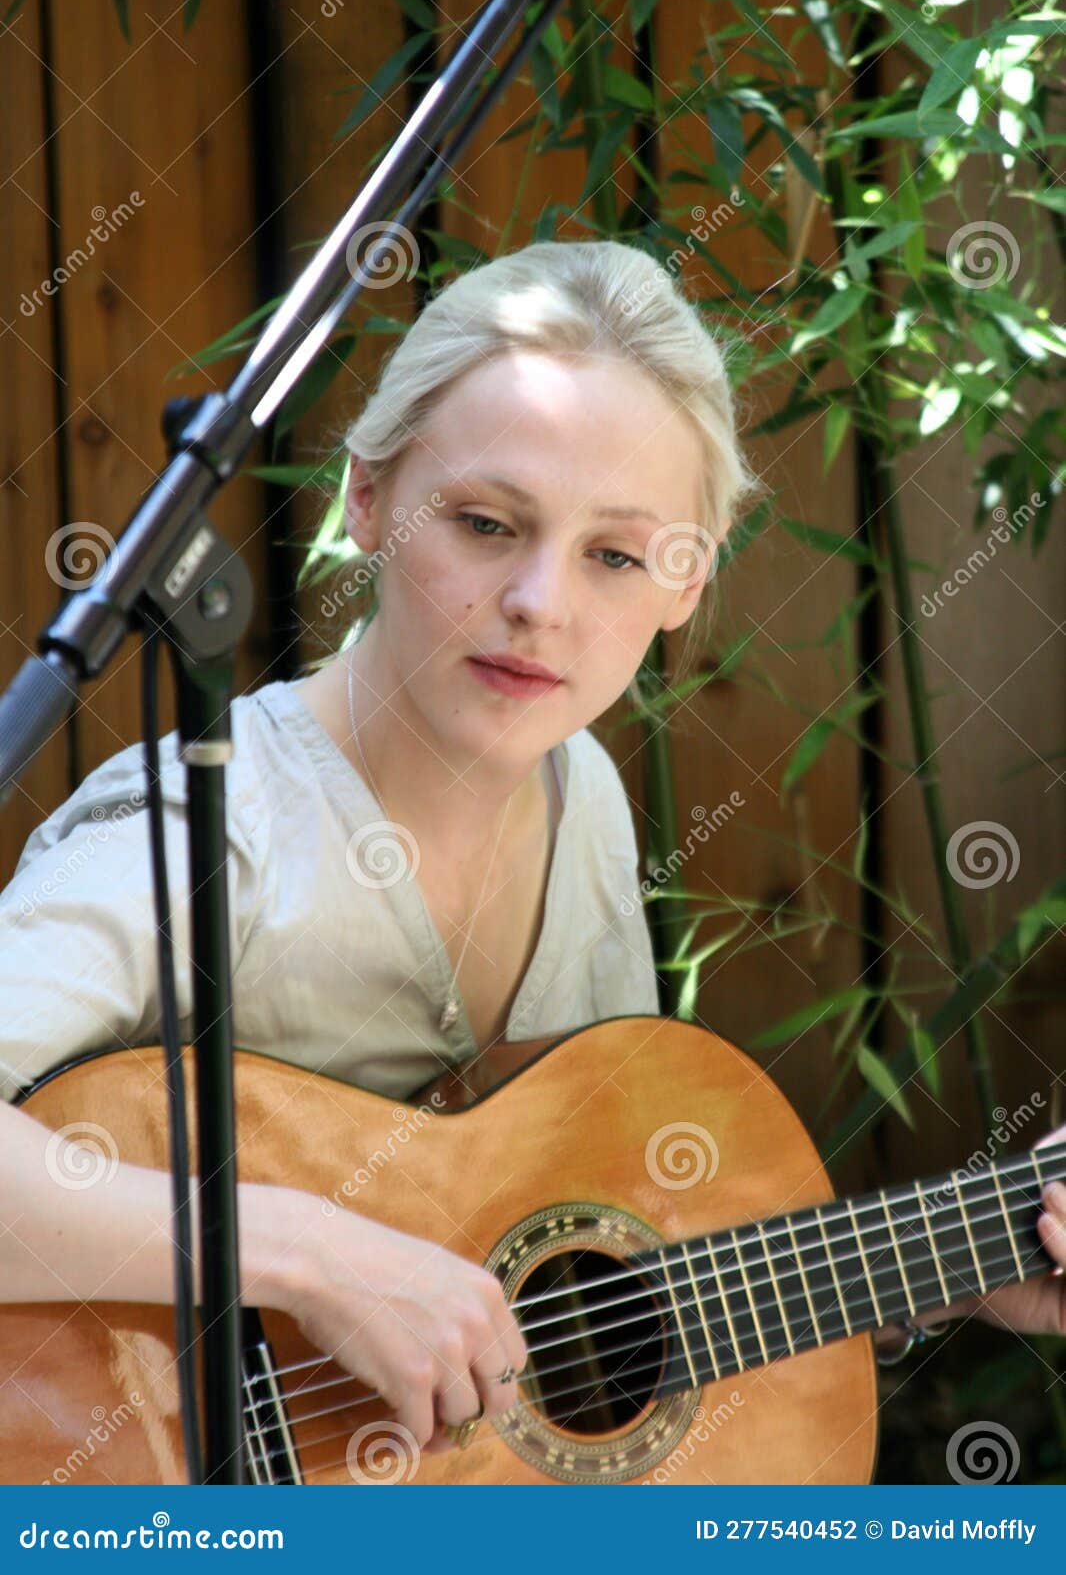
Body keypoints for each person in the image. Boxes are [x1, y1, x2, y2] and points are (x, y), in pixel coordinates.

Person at [0, 240, 1062, 1464]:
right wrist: (305, 1254)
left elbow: (574, 1324)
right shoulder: (197, 835)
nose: (539, 602)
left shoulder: (584, 799)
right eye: (486, 523)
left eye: (613, 555)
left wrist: (950, 1269)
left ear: (685, 580)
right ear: (368, 501)